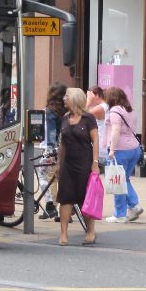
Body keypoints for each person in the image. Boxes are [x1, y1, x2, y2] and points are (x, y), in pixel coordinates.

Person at [57, 87, 99, 246]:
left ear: (74, 98)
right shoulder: (65, 118)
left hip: (84, 163)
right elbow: (63, 143)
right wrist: (59, 164)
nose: (63, 99)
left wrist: (95, 163)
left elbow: (95, 140)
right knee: (65, 198)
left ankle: (90, 231)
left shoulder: (88, 118)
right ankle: (63, 233)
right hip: (68, 163)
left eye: (66, 96)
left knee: (84, 198)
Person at [104, 85, 144, 223]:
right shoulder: (129, 109)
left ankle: (120, 214)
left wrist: (112, 149)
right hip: (134, 149)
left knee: (117, 181)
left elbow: (115, 130)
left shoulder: (115, 111)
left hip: (120, 150)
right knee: (124, 179)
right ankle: (134, 205)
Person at [39, 81, 68, 220]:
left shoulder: (51, 110)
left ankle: (50, 206)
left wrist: (50, 151)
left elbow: (50, 132)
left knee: (42, 175)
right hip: (65, 148)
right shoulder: (66, 110)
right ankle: (68, 210)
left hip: (52, 148)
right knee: (62, 178)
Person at [86, 85, 107, 165]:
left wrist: (88, 101)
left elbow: (80, 117)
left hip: (100, 148)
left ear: (97, 95)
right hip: (104, 146)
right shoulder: (106, 106)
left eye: (90, 96)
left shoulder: (100, 108)